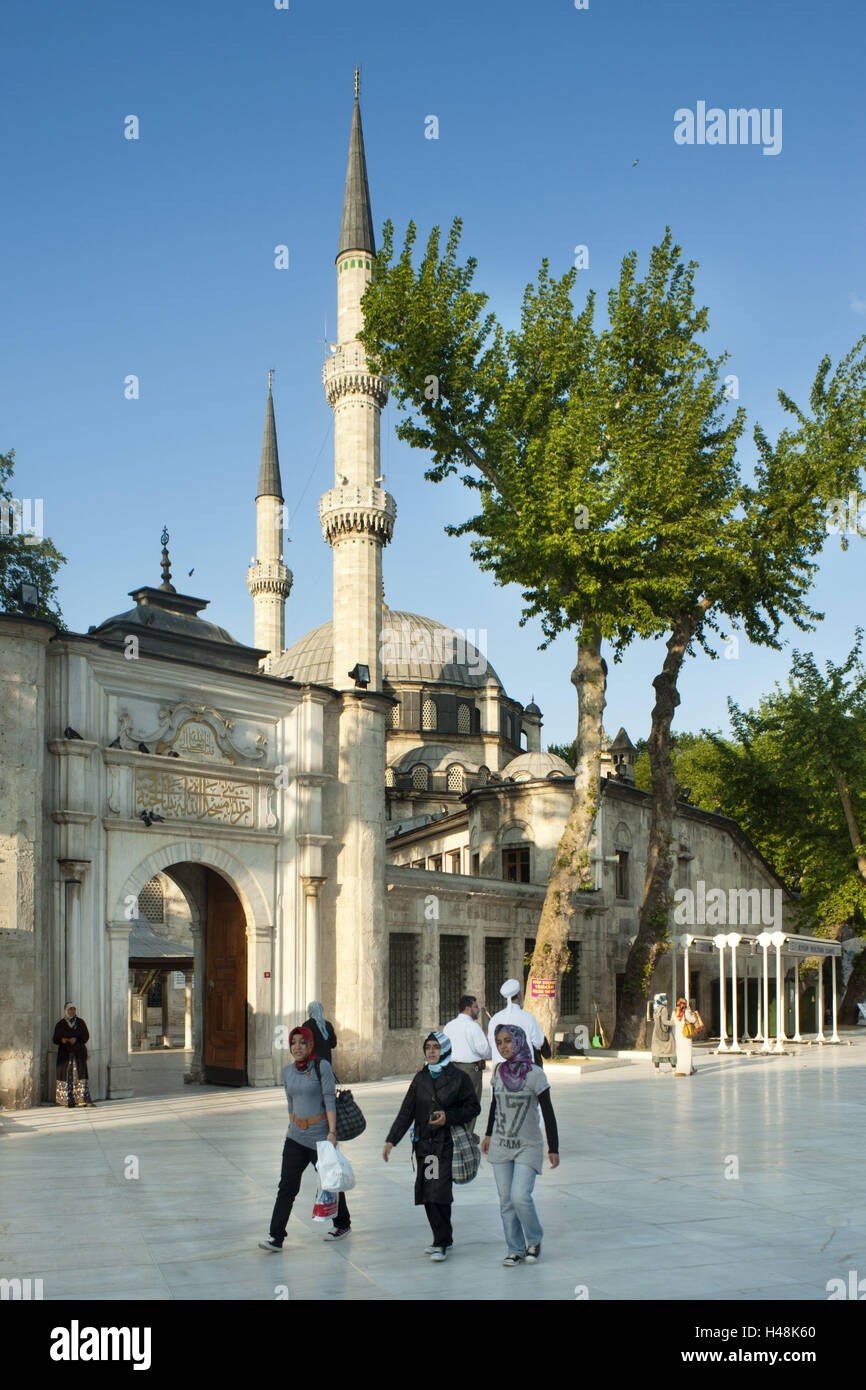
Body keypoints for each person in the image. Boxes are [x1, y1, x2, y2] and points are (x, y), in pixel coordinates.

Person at [382, 1031, 480, 1262]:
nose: (432, 1051)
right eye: (428, 1047)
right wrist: (391, 1140)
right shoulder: (421, 1078)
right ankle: (442, 1237)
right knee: (428, 1191)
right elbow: (407, 1111)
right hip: (425, 1145)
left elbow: (473, 1108)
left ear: (444, 1049)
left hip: (446, 1144)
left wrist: (449, 1117)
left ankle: (442, 1240)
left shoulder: (459, 1078)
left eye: (436, 1047)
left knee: (439, 1192)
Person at [259, 1026, 351, 1251]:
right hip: (295, 1138)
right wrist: (291, 1126)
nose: (297, 1047)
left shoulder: (321, 1066)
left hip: (320, 1138)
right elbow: (290, 1102)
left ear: (310, 1045)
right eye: (293, 1043)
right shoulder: (287, 1072)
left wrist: (332, 1133)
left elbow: (329, 1099)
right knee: (287, 1187)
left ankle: (342, 1223)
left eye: (302, 1042)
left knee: (330, 1182)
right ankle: (275, 1236)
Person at [482, 1024, 559, 1266]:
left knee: (520, 1196)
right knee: (506, 1200)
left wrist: (553, 1147)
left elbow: (548, 1112)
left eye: (507, 1041)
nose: (503, 1046)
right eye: (499, 1042)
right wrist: (488, 1134)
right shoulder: (497, 1072)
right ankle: (514, 1248)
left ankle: (534, 1239)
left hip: (528, 1145)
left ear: (518, 1041)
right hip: (501, 1144)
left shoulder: (535, 1074)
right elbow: (495, 1105)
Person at [443, 994, 490, 1131]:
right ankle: (467, 1136)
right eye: (476, 1007)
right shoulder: (473, 1027)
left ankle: (454, 1135)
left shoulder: (449, 1026)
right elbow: (484, 1050)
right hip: (470, 1070)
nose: (478, 1010)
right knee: (470, 1104)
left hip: (451, 1068)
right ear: (468, 1009)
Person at [487, 978, 546, 1065]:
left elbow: (492, 1044)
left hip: (500, 1071)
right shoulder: (528, 1017)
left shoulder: (495, 1018)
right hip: (523, 1070)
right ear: (518, 995)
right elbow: (539, 1042)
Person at [53, 1003, 95, 1107]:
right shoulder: (61, 1024)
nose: (72, 1012)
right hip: (65, 1055)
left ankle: (82, 1100)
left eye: (73, 1009)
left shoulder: (80, 1022)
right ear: (66, 1011)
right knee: (67, 1076)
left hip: (78, 1054)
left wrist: (76, 1039)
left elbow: (86, 1036)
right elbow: (55, 1039)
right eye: (70, 1010)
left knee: (79, 1076)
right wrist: (63, 1040)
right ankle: (67, 1100)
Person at [671, 996, 701, 1076]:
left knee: (680, 1052)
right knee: (687, 1052)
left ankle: (680, 1070)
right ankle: (687, 1070)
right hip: (686, 1035)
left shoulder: (674, 1012)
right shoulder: (686, 1012)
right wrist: (690, 1011)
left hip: (678, 1035)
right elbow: (693, 1020)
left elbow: (672, 1021)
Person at [301, 1000, 337, 1068]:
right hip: (326, 1061)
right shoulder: (328, 1025)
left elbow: (304, 1044)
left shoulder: (306, 1025)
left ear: (310, 1010)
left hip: (312, 1061)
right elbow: (333, 1044)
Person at [649, 992, 676, 1075]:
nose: (667, 1000)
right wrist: (675, 1022)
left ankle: (657, 1070)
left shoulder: (656, 1009)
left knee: (657, 1051)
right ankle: (674, 1069)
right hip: (665, 1033)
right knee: (671, 1049)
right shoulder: (664, 1009)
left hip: (656, 1033)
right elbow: (665, 1022)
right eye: (665, 998)